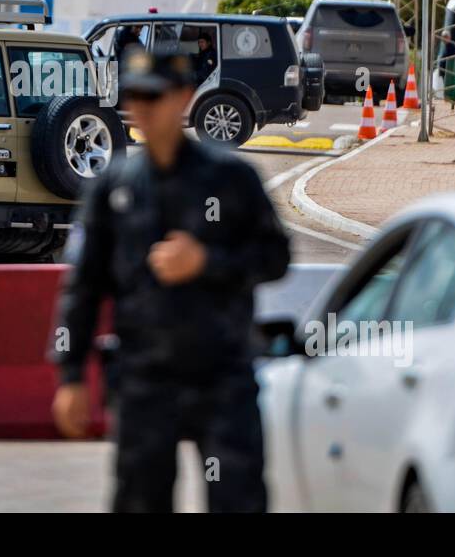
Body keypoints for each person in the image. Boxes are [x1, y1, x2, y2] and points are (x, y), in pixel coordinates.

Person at [51, 47, 291, 513]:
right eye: (134, 96)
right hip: (145, 376)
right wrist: (72, 375)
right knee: (140, 500)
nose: (141, 108)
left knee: (237, 498)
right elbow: (84, 286)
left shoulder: (230, 178)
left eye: (154, 96)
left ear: (183, 97)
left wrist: (207, 261)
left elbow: (275, 257)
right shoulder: (113, 187)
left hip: (223, 375)